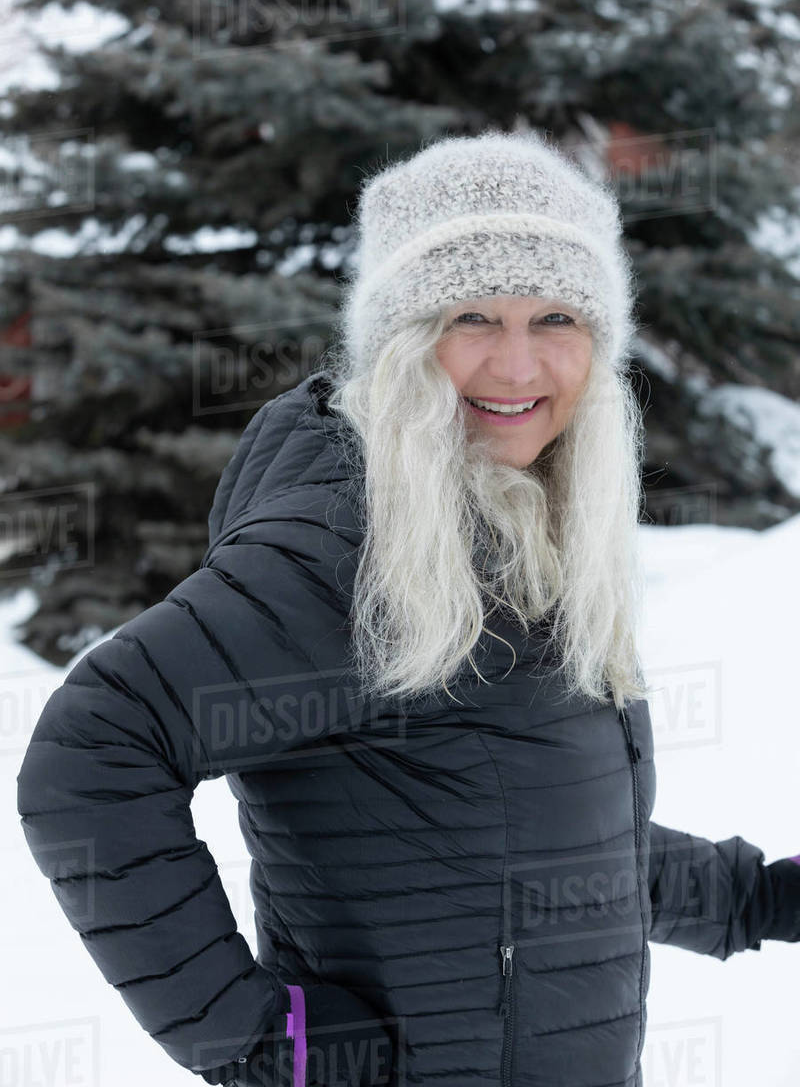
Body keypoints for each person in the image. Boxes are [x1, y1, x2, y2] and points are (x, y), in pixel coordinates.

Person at [16, 127, 800, 1087]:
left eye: (556, 317)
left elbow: (543, 849)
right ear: (401, 337)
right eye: (471, 315)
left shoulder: (527, 528)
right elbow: (92, 748)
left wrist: (757, 899)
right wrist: (263, 1041)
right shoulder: (352, 542)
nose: (517, 369)